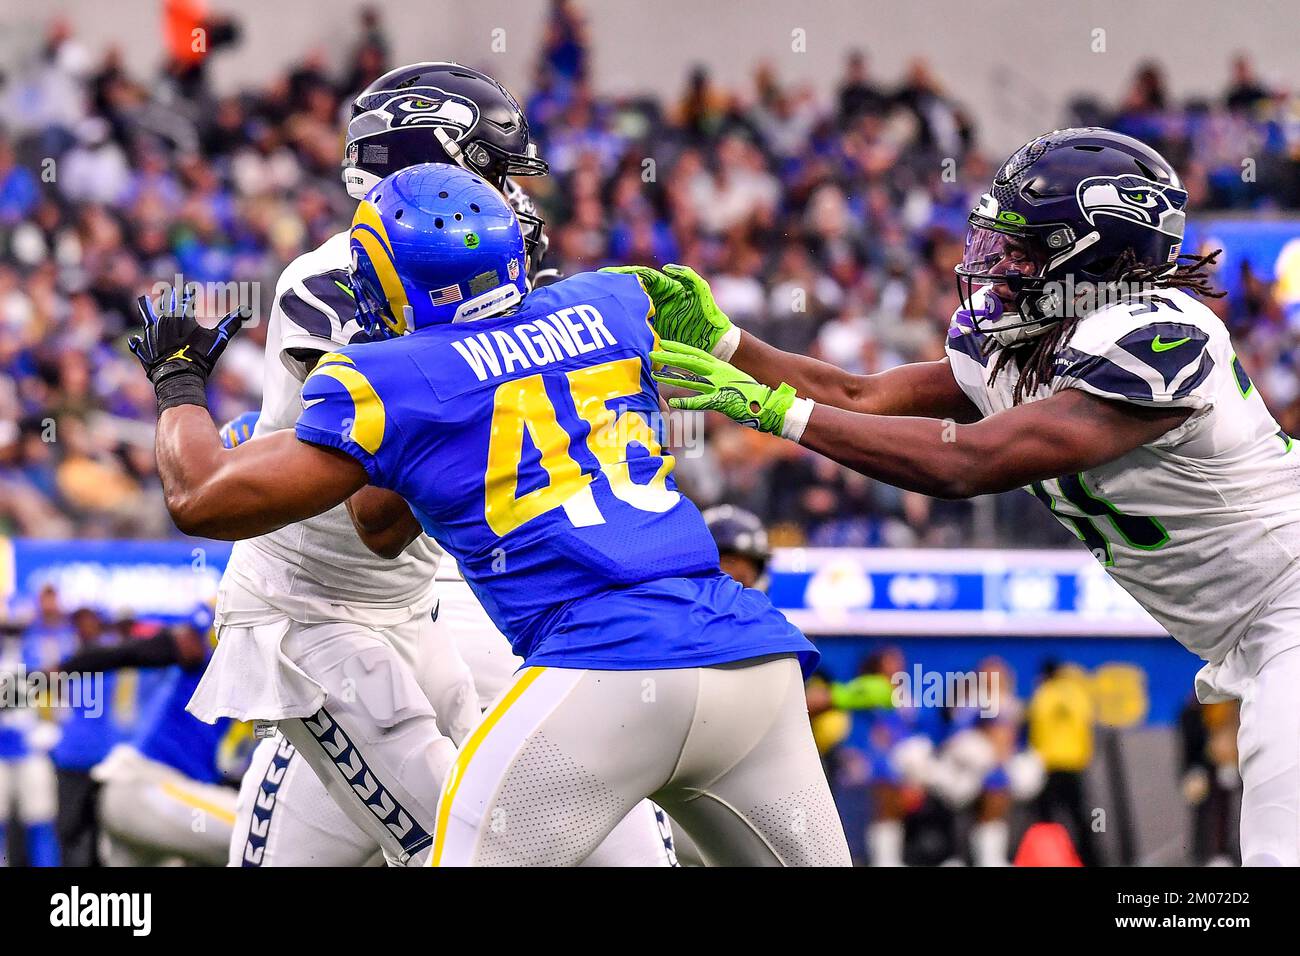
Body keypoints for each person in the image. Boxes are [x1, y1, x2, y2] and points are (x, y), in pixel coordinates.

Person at [129, 161, 849, 867]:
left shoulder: (397, 380)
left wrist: (177, 377)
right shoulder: (616, 298)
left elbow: (204, 497)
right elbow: (834, 390)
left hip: (604, 666)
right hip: (751, 656)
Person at [631, 126, 1300, 866]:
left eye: (1022, 249)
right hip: (1256, 622)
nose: (997, 266)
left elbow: (970, 463)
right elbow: (865, 393)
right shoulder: (1024, 337)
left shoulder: (1160, 337)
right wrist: (731, 346)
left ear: (1096, 257)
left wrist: (778, 415)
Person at [198, 61, 668, 867]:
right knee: (452, 848)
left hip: (415, 610)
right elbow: (377, 514)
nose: (516, 199)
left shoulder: (484, 271)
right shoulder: (336, 283)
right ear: (431, 167)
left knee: (497, 829)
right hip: (313, 612)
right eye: (492, 173)